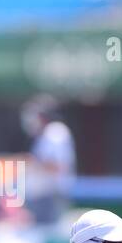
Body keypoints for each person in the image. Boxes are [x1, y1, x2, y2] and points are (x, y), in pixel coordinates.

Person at [20, 94, 76, 225]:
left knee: (46, 233)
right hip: (42, 198)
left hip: (50, 197)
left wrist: (31, 162)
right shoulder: (45, 135)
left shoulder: (55, 132)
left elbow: (57, 166)